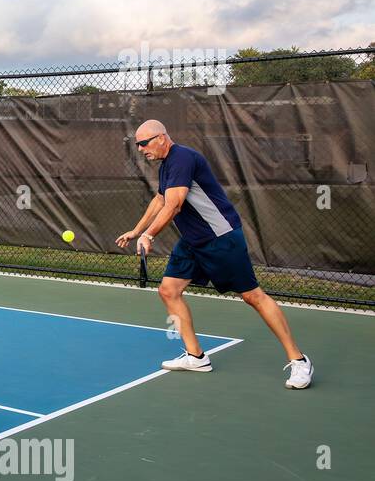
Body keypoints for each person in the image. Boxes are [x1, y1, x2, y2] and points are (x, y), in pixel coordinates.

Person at [117, 119, 313, 389]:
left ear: (161, 138)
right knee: (168, 290)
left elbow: (173, 206)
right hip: (193, 241)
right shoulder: (167, 165)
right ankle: (195, 356)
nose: (140, 149)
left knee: (252, 296)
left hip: (221, 239)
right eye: (137, 144)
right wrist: (136, 230)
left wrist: (150, 235)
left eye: (144, 143)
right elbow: (160, 199)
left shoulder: (182, 158)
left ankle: (300, 360)